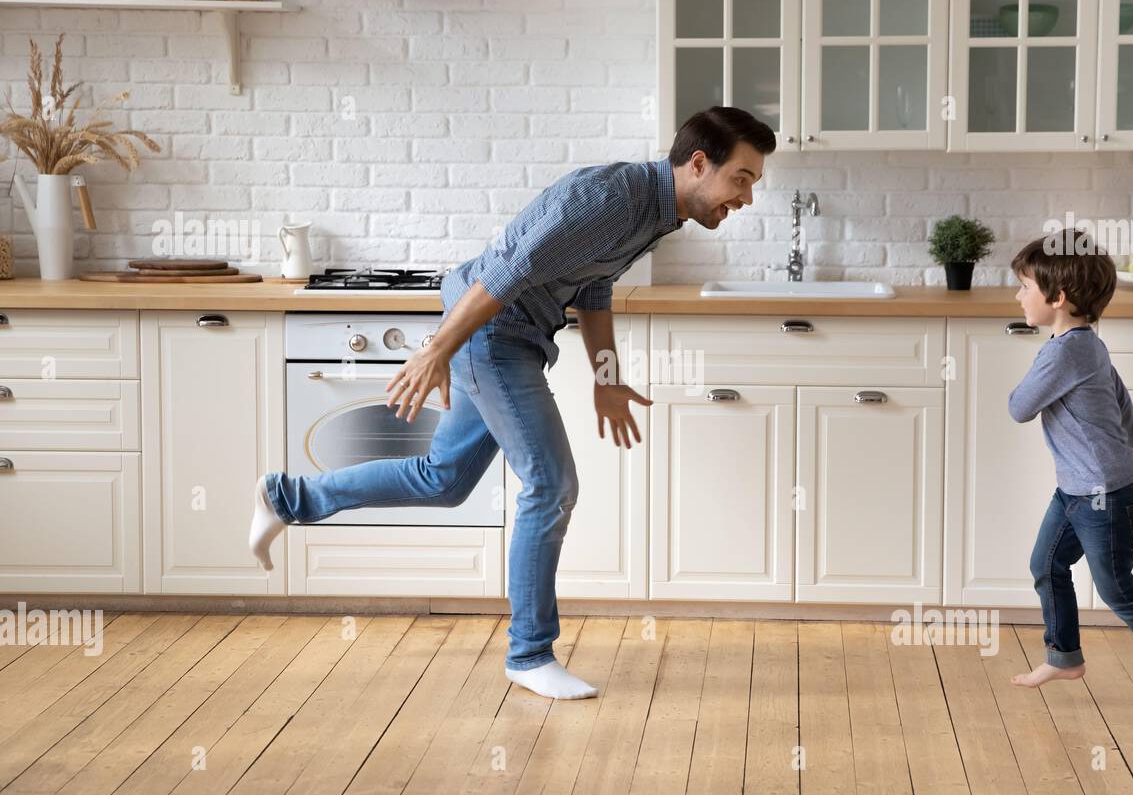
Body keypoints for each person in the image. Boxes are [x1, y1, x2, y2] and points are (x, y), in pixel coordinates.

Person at [248, 106, 776, 700]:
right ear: (699, 164)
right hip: (493, 334)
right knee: (551, 485)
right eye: (742, 179)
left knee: (442, 480)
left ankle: (287, 499)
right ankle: (529, 655)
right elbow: (510, 267)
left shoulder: (659, 212)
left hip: (513, 336)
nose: (746, 199)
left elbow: (593, 285)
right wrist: (439, 349)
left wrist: (606, 377)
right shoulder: (611, 197)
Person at [1007, 230, 1133, 714]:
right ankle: (1064, 657)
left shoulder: (1063, 351)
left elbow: (1019, 407)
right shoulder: (1087, 342)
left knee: (1115, 586)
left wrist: (1038, 364)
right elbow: (1118, 392)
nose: (1018, 295)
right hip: (1079, 487)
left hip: (1104, 492)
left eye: (1025, 286)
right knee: (1046, 565)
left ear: (1058, 298)